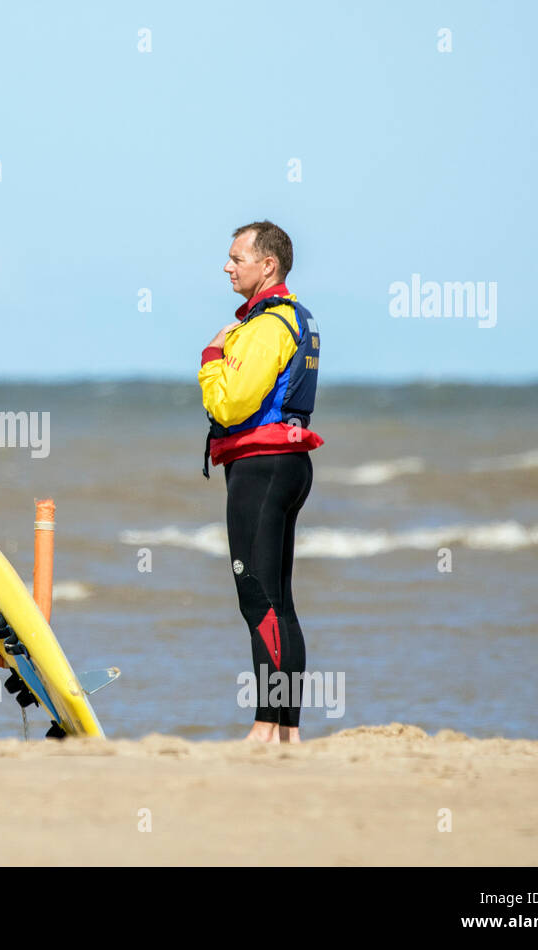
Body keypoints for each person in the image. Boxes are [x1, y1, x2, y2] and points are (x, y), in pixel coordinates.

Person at [198, 221, 323, 743]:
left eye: (237, 258)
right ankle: (287, 731)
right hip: (285, 466)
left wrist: (210, 358)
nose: (227, 267)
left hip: (261, 467)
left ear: (267, 265)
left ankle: (266, 726)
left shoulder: (270, 325)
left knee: (258, 599)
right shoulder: (292, 319)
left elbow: (230, 402)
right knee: (278, 600)